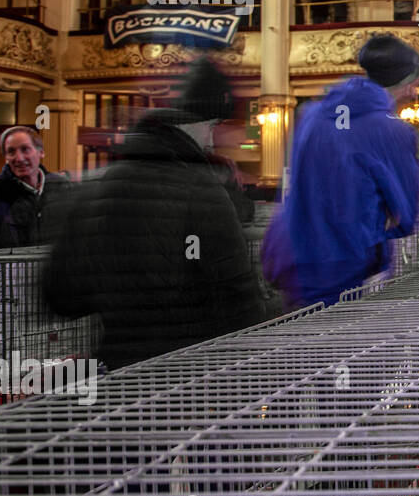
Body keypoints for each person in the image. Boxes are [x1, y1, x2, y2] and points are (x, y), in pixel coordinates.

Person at [45, 58, 264, 369]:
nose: (213, 139)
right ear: (196, 123)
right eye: (213, 125)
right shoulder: (201, 189)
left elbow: (61, 295)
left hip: (120, 376)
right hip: (189, 378)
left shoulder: (97, 186)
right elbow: (239, 298)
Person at [263, 34, 419, 308]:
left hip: (293, 257)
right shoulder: (393, 130)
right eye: (413, 84)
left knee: (301, 344)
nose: (413, 93)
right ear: (403, 82)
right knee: (340, 346)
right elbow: (406, 217)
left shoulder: (312, 114)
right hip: (346, 266)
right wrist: (376, 237)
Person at [0, 126, 72, 248]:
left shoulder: (62, 187)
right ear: (6, 157)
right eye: (11, 152)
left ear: (41, 152)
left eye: (25, 149)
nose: (19, 158)